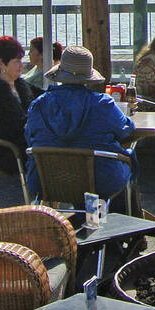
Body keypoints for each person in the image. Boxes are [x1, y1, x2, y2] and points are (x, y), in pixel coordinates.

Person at [25, 46, 135, 205]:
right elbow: (126, 129)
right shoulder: (103, 104)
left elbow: (29, 137)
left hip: (45, 180)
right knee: (127, 160)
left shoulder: (39, 105)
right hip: (100, 180)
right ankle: (123, 222)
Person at [0, 36, 36, 173]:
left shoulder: (21, 87)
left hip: (21, 145)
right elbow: (7, 131)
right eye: (17, 62)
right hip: (3, 153)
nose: (21, 66)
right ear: (1, 63)